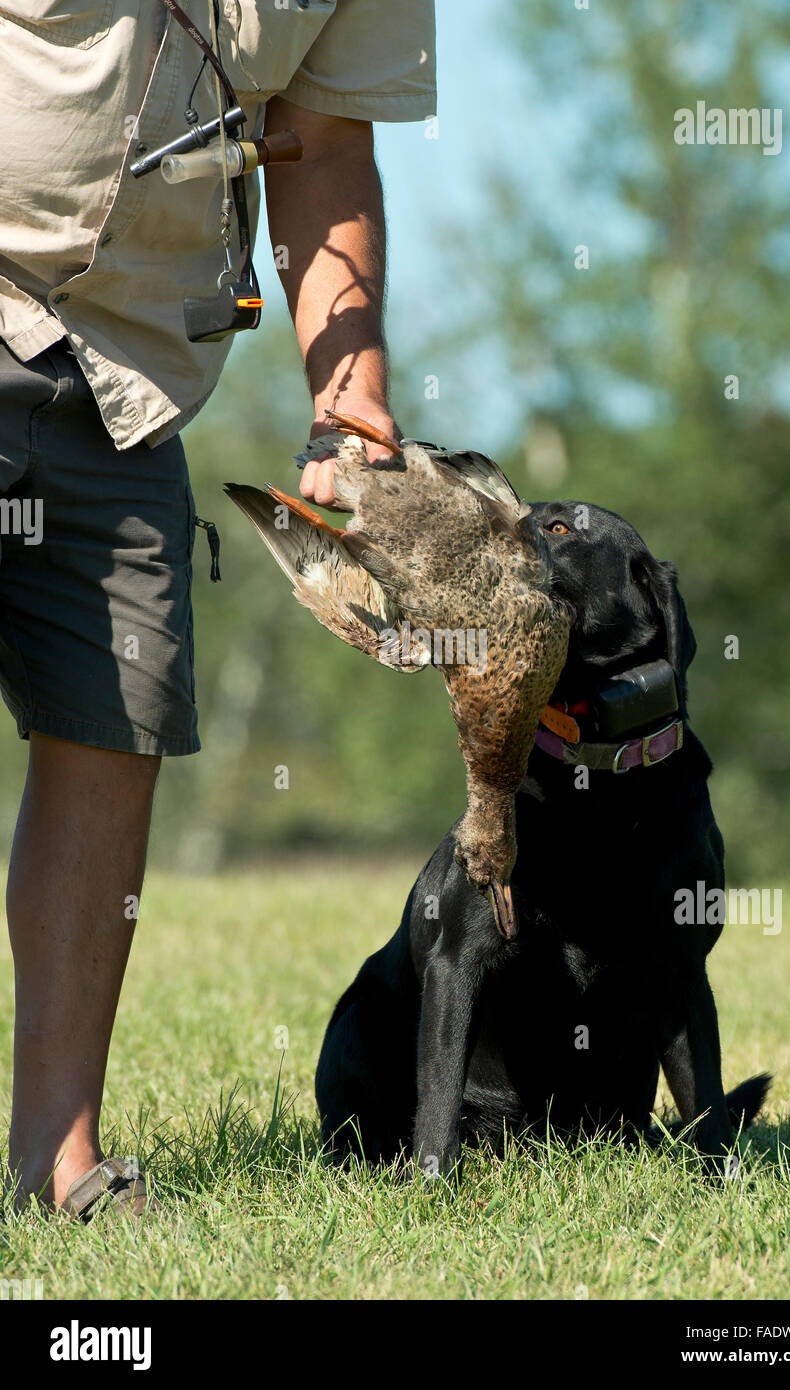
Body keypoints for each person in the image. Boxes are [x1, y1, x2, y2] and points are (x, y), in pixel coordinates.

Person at [0, 0, 435, 1220]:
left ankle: (59, 1165)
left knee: (112, 726)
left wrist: (348, 404)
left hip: (127, 373)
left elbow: (327, 144)